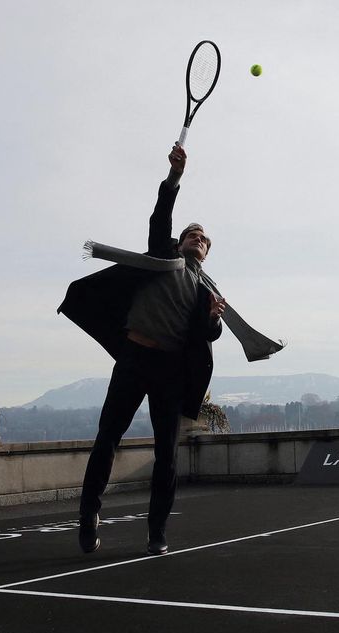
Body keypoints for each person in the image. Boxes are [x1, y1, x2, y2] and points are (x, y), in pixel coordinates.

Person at [58, 143, 226, 556]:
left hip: (170, 371)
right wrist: (174, 178)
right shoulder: (158, 256)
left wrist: (215, 318)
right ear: (179, 241)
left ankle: (157, 533)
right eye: (192, 234)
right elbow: (160, 215)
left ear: (208, 251)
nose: (198, 240)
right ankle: (88, 516)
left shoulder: (208, 289)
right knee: (107, 439)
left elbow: (209, 336)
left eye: (204, 239)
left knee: (166, 455)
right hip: (134, 358)